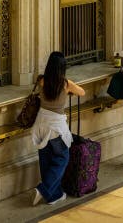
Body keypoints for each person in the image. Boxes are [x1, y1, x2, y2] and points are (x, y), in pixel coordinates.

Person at [31, 51, 85, 206]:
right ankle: (43, 189)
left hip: (41, 123)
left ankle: (54, 195)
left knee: (46, 159)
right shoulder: (66, 84)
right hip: (56, 127)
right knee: (62, 158)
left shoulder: (41, 80)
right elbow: (82, 92)